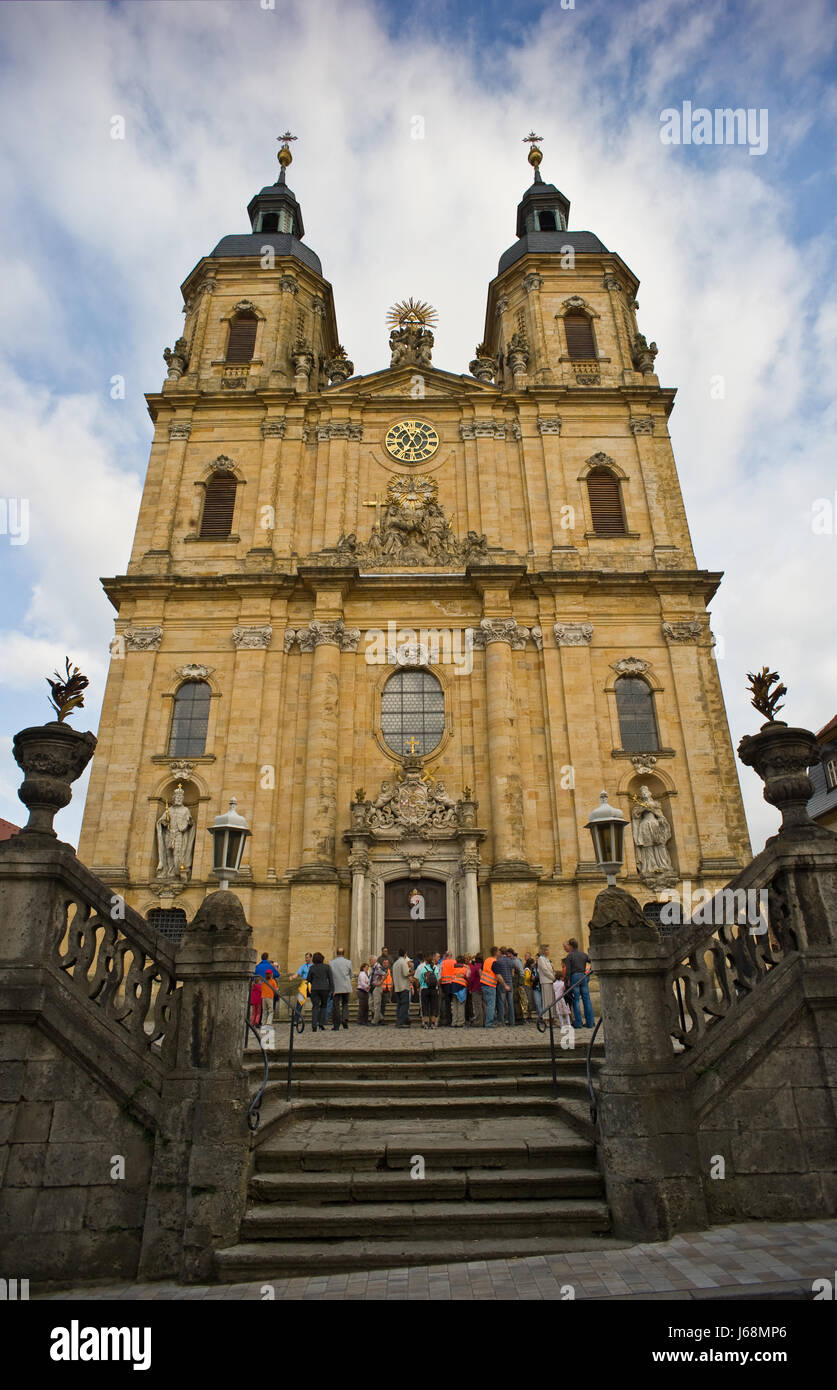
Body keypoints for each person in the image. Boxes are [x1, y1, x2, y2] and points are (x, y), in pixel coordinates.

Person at [564, 937, 594, 1029]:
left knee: (576, 1000)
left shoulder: (570, 956)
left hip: (574, 976)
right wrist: (589, 971)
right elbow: (593, 961)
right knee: (586, 999)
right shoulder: (584, 955)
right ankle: (590, 1022)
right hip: (583, 976)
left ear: (571, 946)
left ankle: (578, 1022)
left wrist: (567, 981)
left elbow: (568, 970)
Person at [329, 947, 353, 1031]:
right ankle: (344, 1019)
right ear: (344, 953)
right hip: (346, 986)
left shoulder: (331, 963)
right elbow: (351, 975)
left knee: (336, 1006)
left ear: (337, 953)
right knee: (345, 1004)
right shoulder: (348, 962)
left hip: (336, 987)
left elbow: (330, 976)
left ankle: (336, 1024)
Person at [308, 951, 332, 1032]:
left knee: (315, 1006)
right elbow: (330, 979)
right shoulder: (327, 967)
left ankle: (314, 1025)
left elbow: (308, 979)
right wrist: (332, 989)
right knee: (323, 1006)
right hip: (325, 988)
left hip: (315, 988)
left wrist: (313, 983)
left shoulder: (312, 968)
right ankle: (321, 1023)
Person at [494, 947, 516, 1026]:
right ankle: (512, 1021)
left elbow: (498, 974)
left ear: (500, 952)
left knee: (501, 1002)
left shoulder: (498, 961)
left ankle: (501, 1021)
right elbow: (513, 973)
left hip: (502, 983)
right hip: (510, 982)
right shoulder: (511, 961)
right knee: (510, 1003)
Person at [392, 948, 413, 1028]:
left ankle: (399, 1020)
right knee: (404, 1005)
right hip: (404, 986)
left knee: (399, 1005)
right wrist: (412, 972)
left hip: (397, 986)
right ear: (405, 954)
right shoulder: (403, 962)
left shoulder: (395, 963)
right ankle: (402, 1022)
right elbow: (405, 974)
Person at [417, 954, 439, 1029]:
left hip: (425, 989)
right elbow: (437, 979)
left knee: (425, 1006)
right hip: (433, 989)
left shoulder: (423, 969)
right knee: (434, 1006)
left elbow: (420, 980)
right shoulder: (436, 968)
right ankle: (433, 1023)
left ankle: (426, 1023)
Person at [481, 947, 499, 1027]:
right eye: (498, 951)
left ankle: (488, 1021)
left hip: (484, 984)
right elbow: (498, 975)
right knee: (491, 1005)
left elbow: (480, 970)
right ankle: (489, 1023)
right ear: (496, 953)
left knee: (487, 1005)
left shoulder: (487, 960)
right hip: (490, 985)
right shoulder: (494, 962)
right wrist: (505, 985)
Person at [537, 945, 556, 1021]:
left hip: (550, 981)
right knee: (547, 1000)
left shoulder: (547, 959)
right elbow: (545, 970)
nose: (549, 952)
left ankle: (552, 1016)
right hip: (546, 981)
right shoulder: (541, 959)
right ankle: (546, 1017)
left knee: (551, 999)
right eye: (547, 950)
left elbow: (551, 969)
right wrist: (553, 977)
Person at [438, 950, 456, 1027]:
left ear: (446, 956)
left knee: (446, 1003)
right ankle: (454, 1019)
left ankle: (447, 1019)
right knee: (454, 1002)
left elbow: (439, 973)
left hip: (444, 984)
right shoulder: (454, 962)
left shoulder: (442, 963)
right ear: (451, 956)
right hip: (453, 983)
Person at [450, 955, 469, 1027]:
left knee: (454, 1005)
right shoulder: (465, 968)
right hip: (461, 986)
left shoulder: (453, 966)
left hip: (453, 985)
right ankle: (460, 1022)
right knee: (461, 1004)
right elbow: (468, 976)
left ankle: (454, 1022)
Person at [466, 954, 484, 1028]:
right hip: (484, 987)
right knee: (484, 1005)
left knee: (477, 1006)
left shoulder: (474, 968)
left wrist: (469, 988)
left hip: (476, 988)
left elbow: (471, 979)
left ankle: (479, 1022)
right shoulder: (484, 967)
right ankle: (484, 1020)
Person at [370, 956, 386, 1025]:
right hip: (372, 987)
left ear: (374, 960)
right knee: (370, 1004)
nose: (369, 962)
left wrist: (380, 982)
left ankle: (375, 1021)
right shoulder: (373, 967)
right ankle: (381, 1017)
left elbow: (385, 974)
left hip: (377, 987)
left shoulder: (378, 967)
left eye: (370, 960)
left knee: (377, 1004)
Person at [357, 961, 371, 1025]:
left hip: (365, 991)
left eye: (368, 968)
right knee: (362, 1006)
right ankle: (360, 1020)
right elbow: (362, 983)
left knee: (366, 1006)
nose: (367, 969)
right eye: (366, 968)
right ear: (363, 968)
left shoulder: (366, 974)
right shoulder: (362, 974)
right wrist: (368, 987)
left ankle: (365, 1020)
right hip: (362, 991)